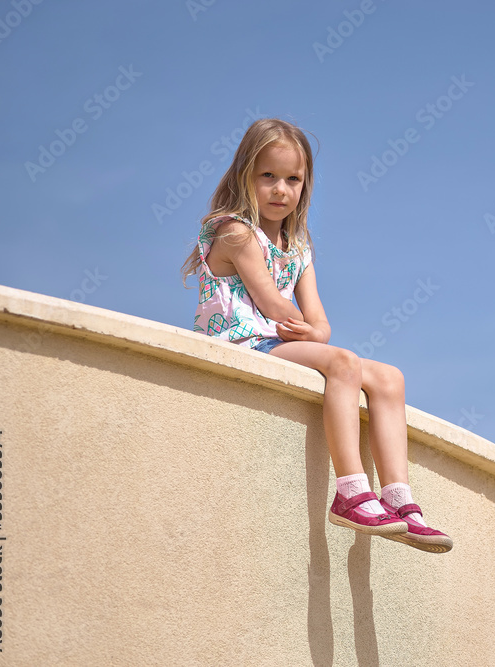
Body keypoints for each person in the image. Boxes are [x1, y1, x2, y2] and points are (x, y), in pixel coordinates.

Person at [180, 118, 452, 553]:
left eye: (293, 179)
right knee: (343, 362)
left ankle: (401, 500)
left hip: (279, 344)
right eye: (267, 176)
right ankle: (349, 490)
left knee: (389, 378)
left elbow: (321, 324)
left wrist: (312, 329)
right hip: (242, 344)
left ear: (305, 185)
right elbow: (273, 306)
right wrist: (306, 327)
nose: (280, 190)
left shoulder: (298, 245)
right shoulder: (234, 232)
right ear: (244, 174)